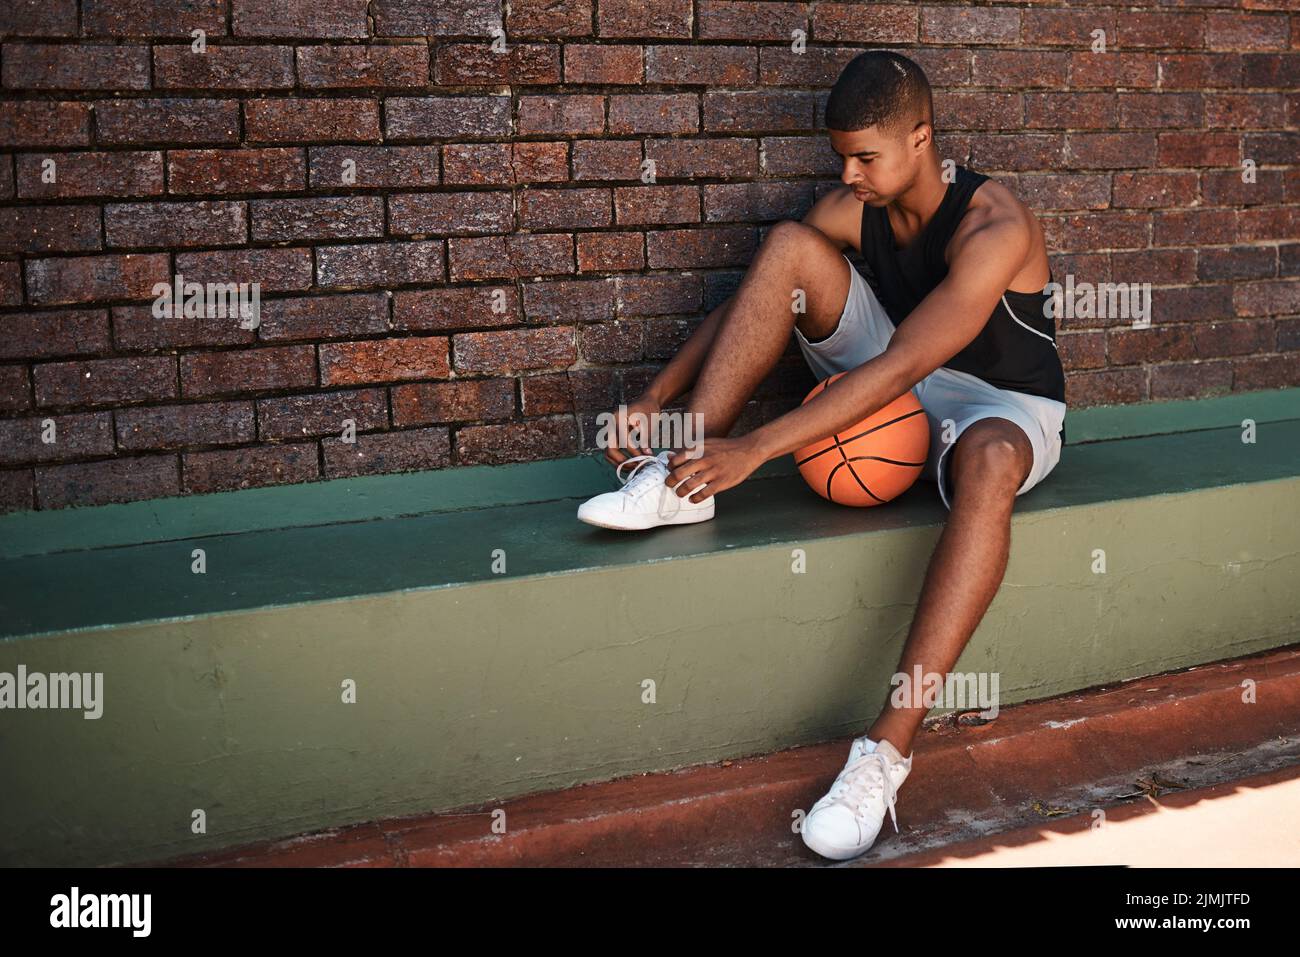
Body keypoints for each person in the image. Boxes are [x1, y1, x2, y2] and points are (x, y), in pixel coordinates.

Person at [578, 49, 1068, 860]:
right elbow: (762, 291)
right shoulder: (857, 204)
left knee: (987, 463)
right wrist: (658, 398)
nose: (850, 173)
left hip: (996, 404)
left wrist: (760, 449)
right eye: (841, 154)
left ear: (922, 138)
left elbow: (907, 363)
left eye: (865, 156)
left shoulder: (997, 227)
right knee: (788, 245)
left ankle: (886, 752)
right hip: (896, 375)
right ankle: (681, 478)